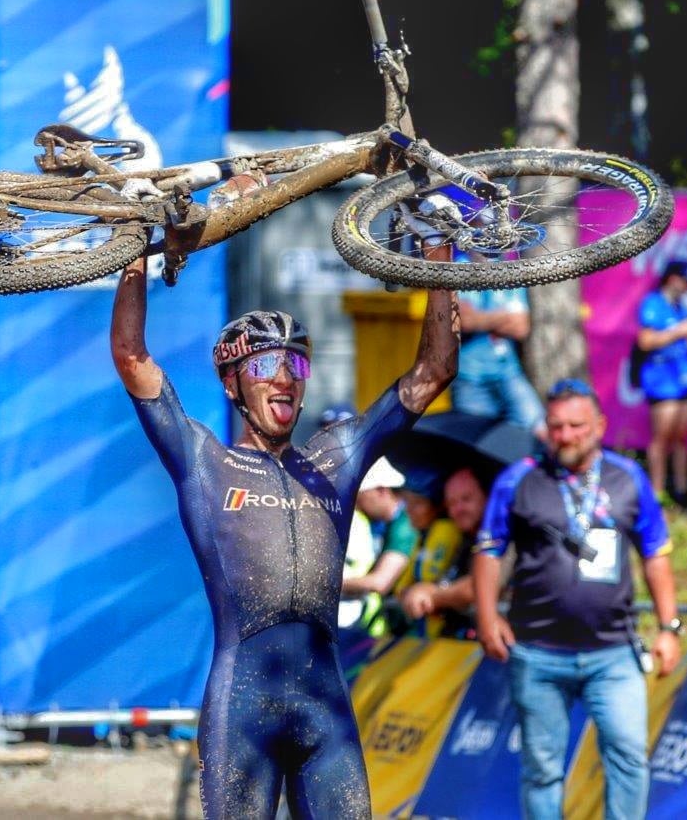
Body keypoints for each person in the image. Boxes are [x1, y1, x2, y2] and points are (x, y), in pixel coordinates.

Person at [111, 223, 457, 817]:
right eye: (267, 363)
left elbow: (434, 371)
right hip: (243, 708)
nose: (284, 378)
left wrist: (438, 254)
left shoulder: (335, 461)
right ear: (232, 384)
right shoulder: (205, 462)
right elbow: (131, 356)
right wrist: (134, 250)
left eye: (296, 365)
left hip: (326, 710)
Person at [474, 378, 681, 820]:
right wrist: (488, 616)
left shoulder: (629, 478)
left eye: (576, 426)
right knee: (542, 769)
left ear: (600, 426)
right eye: (556, 426)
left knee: (629, 756)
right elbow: (489, 551)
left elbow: (655, 554)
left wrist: (669, 627)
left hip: (613, 653)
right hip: (538, 652)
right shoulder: (519, 478)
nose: (565, 436)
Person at [636, 260, 687, 500]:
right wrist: (679, 332)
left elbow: (685, 341)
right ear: (673, 279)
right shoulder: (653, 303)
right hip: (662, 382)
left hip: (685, 380)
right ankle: (658, 493)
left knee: (682, 439)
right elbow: (645, 341)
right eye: (686, 280)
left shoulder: (681, 307)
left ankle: (682, 491)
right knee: (661, 440)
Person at [399, 466, 490, 632]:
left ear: (487, 497)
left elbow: (480, 586)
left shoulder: (501, 535)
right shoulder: (467, 540)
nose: (458, 509)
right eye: (452, 503)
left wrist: (432, 595)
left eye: (466, 499)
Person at [454, 284, 544, 435]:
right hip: (470, 377)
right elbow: (463, 321)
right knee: (476, 438)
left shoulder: (510, 275)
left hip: (509, 372)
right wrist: (504, 317)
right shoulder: (458, 272)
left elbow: (521, 328)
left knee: (537, 428)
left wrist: (478, 319)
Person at [339, 457, 416, 634]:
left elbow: (380, 582)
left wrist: (323, 586)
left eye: (360, 498)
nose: (356, 506)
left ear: (381, 490)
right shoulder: (377, 523)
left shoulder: (405, 525)